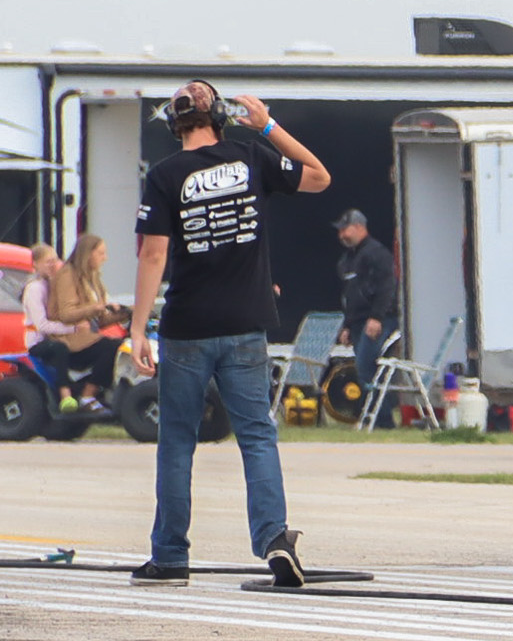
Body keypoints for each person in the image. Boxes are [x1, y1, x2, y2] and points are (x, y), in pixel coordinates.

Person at [128, 81, 331, 588]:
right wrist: (267, 125)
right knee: (257, 435)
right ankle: (274, 540)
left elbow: (152, 255)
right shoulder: (251, 155)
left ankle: (170, 557)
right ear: (220, 115)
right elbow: (320, 177)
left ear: (174, 123)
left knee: (177, 442)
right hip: (246, 325)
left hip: (188, 327)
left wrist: (138, 329)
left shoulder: (164, 175)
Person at [49, 234, 128, 414]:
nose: (104, 258)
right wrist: (98, 307)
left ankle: (106, 393)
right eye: (101, 253)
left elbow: (99, 320)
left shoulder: (93, 278)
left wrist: (124, 313)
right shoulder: (67, 274)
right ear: (88, 254)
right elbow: (66, 313)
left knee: (123, 345)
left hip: (88, 335)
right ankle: (87, 396)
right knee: (111, 347)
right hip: (68, 338)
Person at [333, 208, 397, 403]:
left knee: (366, 365)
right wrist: (347, 325)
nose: (342, 235)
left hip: (378, 320)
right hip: (358, 323)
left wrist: (377, 317)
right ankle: (372, 414)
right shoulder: (347, 260)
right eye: (340, 231)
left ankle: (382, 417)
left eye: (346, 229)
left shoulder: (377, 253)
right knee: (363, 369)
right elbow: (349, 296)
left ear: (360, 227)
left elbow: (387, 287)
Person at [20, 243, 82, 411]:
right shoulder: (34, 289)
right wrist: (72, 329)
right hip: (39, 343)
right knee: (59, 349)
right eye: (48, 262)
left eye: (55, 260)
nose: (53, 265)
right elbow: (42, 325)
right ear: (35, 264)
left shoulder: (54, 285)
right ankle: (65, 396)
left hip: (56, 336)